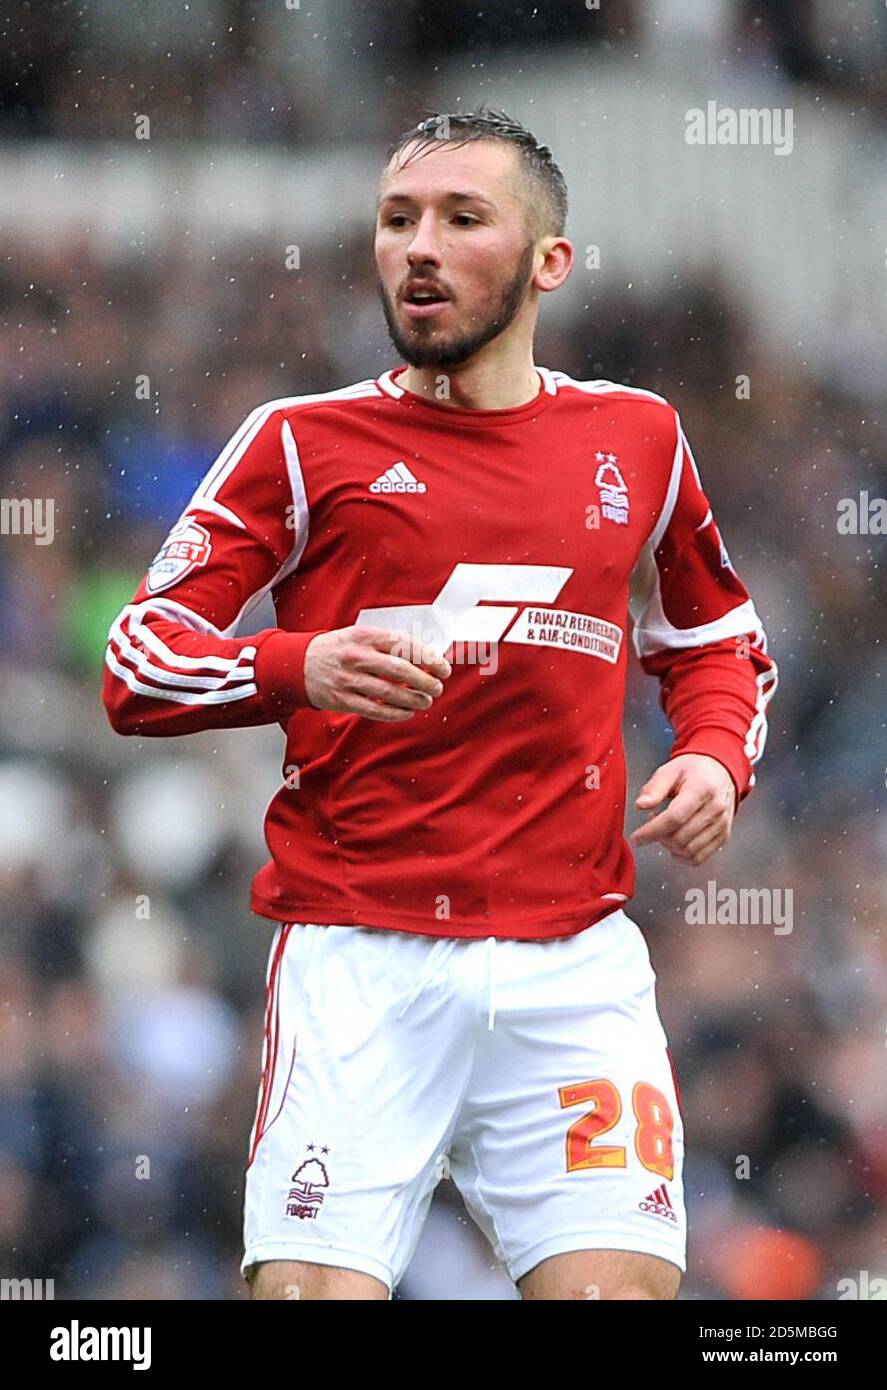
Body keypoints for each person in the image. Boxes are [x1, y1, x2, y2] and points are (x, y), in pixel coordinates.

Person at [102, 106, 777, 1301]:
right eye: (396, 218)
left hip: (571, 968)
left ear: (547, 262)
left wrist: (716, 754)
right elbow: (137, 661)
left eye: (462, 218)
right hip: (361, 960)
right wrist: (294, 664)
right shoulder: (303, 445)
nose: (418, 245)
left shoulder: (638, 437)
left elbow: (717, 637)